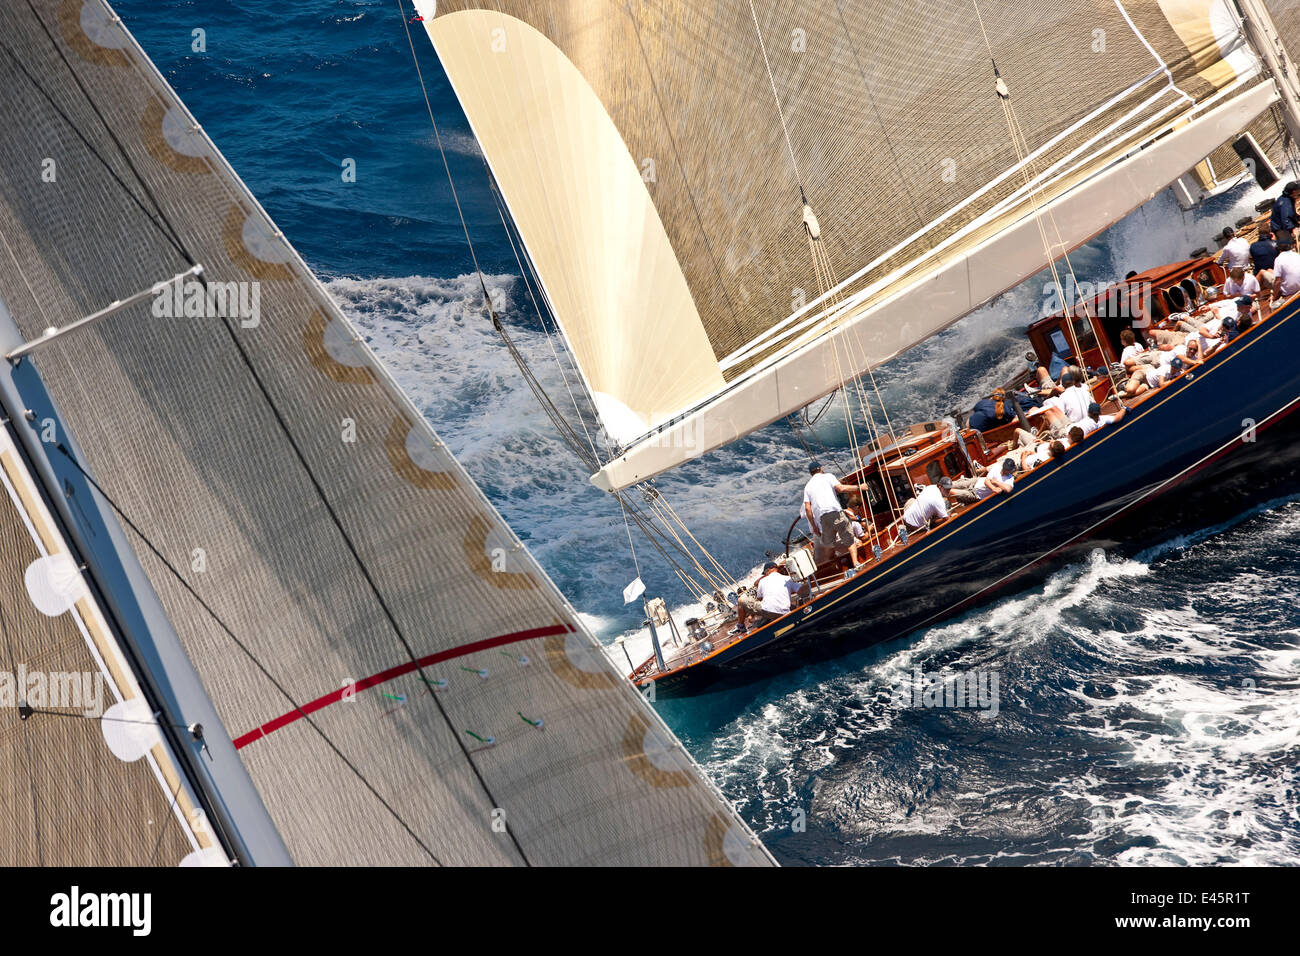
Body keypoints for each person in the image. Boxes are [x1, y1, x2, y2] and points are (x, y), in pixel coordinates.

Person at [802, 462, 868, 563]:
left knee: (829, 546)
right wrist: (860, 487)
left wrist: (814, 526)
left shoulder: (807, 486)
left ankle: (834, 566)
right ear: (821, 469)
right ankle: (856, 563)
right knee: (849, 540)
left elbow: (807, 509)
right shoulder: (828, 476)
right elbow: (841, 488)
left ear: (811, 473)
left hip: (822, 518)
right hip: (835, 513)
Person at [735, 560, 809, 633]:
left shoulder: (762, 581)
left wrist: (751, 616)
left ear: (768, 570)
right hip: (785, 612)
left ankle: (740, 626)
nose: (765, 575)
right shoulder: (788, 579)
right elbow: (802, 591)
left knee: (741, 600)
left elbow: (760, 599)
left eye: (765, 573)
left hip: (768, 611)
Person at [949, 458, 1016, 504]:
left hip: (976, 495)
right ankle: (939, 488)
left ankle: (942, 495)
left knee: (953, 492)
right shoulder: (996, 467)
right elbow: (986, 482)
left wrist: (996, 482)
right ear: (1003, 467)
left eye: (1009, 470)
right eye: (1006, 469)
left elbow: (1008, 489)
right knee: (953, 485)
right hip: (976, 481)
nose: (1007, 471)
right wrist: (994, 488)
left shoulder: (1010, 478)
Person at [1272, 235, 1300, 303]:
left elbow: (1278, 281)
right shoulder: (1297, 255)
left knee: (1274, 281)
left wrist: (1274, 297)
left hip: (1289, 292)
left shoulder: (1278, 260)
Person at [1251, 226, 1277, 291]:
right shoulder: (1275, 244)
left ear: (1259, 234)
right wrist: (1274, 240)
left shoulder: (1253, 246)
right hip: (1273, 272)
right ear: (1270, 233)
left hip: (1260, 277)